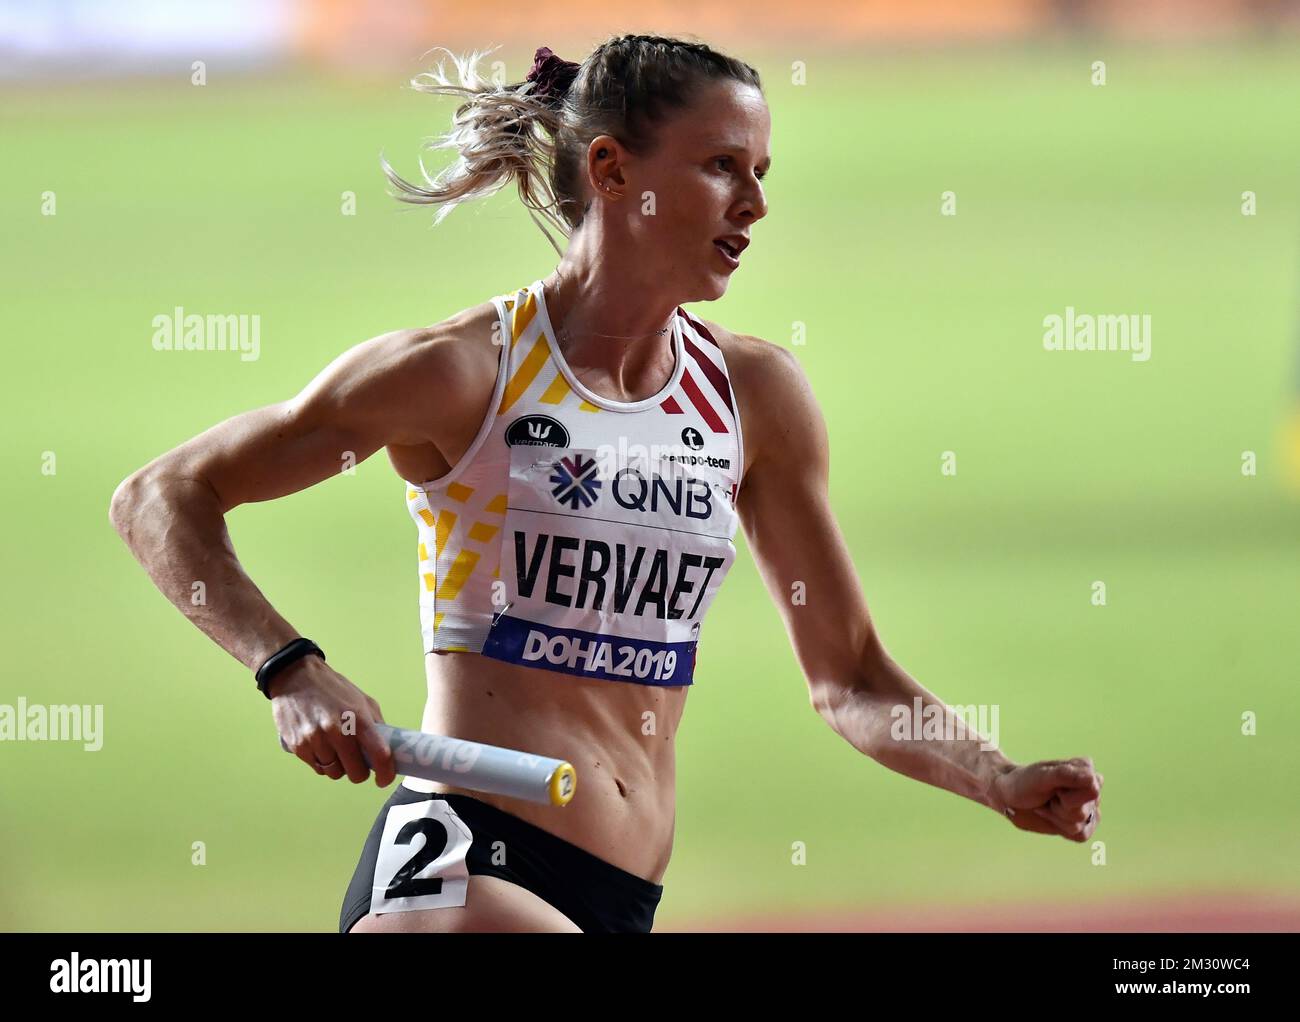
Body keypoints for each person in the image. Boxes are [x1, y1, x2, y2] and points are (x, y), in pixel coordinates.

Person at [109, 33, 1103, 935]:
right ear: (613, 169)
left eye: (758, 172)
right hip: (464, 871)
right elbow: (160, 495)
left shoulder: (752, 397)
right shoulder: (462, 376)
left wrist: (996, 775)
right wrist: (289, 667)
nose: (755, 204)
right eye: (721, 168)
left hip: (620, 898)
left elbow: (850, 680)